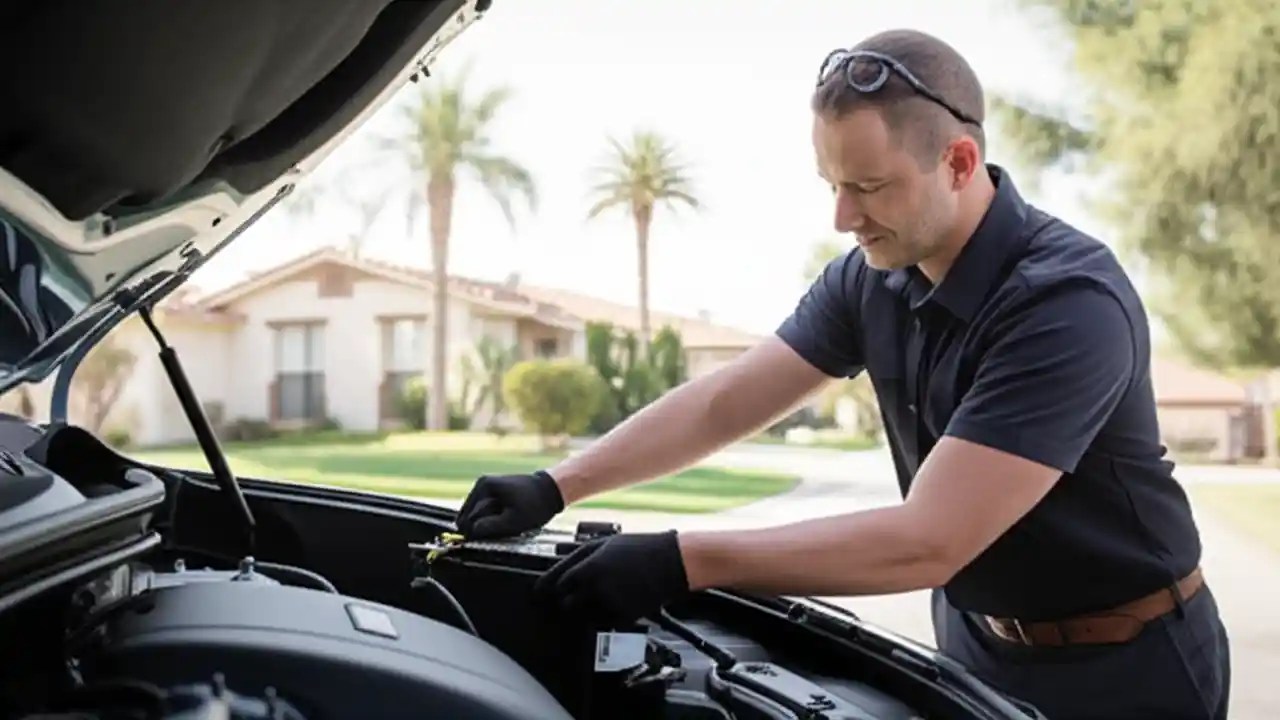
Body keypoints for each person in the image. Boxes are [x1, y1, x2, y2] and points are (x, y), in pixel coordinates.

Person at [455, 29, 1231, 720]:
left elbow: (928, 541)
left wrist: (681, 559)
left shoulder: (1065, 302)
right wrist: (559, 484)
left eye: (867, 187)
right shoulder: (872, 274)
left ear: (958, 162)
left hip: (1124, 664)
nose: (842, 218)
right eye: (832, 185)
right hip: (974, 647)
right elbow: (726, 402)